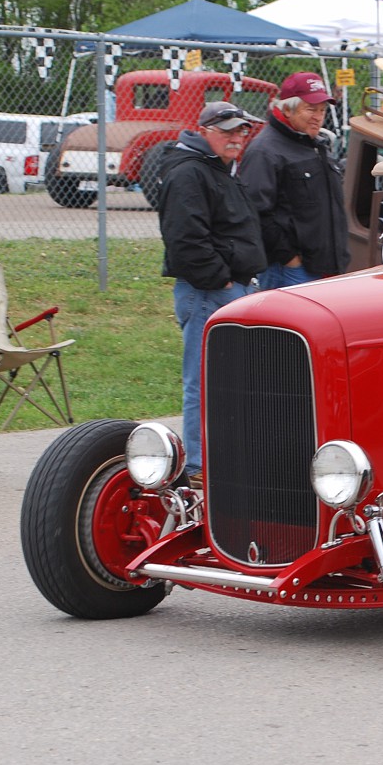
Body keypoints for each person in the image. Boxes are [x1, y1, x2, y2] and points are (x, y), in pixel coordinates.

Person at [158, 100, 267, 486]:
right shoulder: (189, 173)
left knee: (230, 382)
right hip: (208, 291)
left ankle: (225, 459)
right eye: (229, 130)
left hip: (230, 287)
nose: (237, 137)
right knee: (203, 383)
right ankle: (200, 468)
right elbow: (186, 239)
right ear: (204, 130)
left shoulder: (215, 169)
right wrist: (219, 280)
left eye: (242, 131)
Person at [239, 71, 348, 290]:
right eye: (310, 109)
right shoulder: (265, 151)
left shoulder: (314, 145)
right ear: (287, 109)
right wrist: (290, 259)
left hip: (323, 267)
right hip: (290, 271)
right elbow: (255, 213)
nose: (319, 116)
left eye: (322, 110)